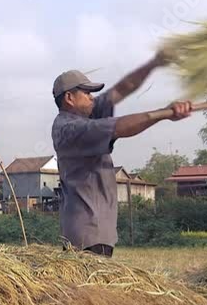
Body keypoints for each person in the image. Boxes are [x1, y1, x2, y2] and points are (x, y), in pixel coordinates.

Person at [51, 53, 193, 257]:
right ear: (69, 98)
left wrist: (154, 63)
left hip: (90, 233)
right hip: (89, 235)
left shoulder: (85, 115)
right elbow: (119, 127)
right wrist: (166, 113)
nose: (92, 97)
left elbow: (121, 89)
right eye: (87, 93)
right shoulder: (71, 129)